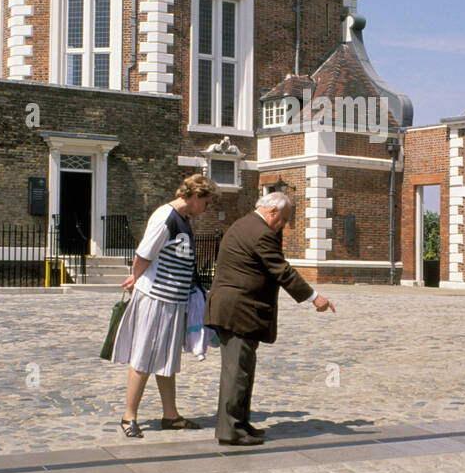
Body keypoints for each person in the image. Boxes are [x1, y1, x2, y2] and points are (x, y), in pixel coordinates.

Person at [206, 192, 335, 446]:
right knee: (237, 373)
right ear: (272, 212)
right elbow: (281, 270)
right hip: (239, 310)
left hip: (237, 309)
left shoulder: (244, 224)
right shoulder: (260, 232)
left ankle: (240, 423)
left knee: (241, 370)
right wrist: (314, 297)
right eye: (284, 220)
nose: (283, 226)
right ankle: (231, 430)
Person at [112, 174, 218, 437]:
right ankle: (129, 416)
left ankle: (170, 415)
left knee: (166, 358)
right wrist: (136, 276)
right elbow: (144, 253)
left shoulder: (182, 220)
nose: (207, 209)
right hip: (157, 297)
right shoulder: (166, 216)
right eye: (207, 203)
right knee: (144, 355)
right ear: (196, 196)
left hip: (173, 300)